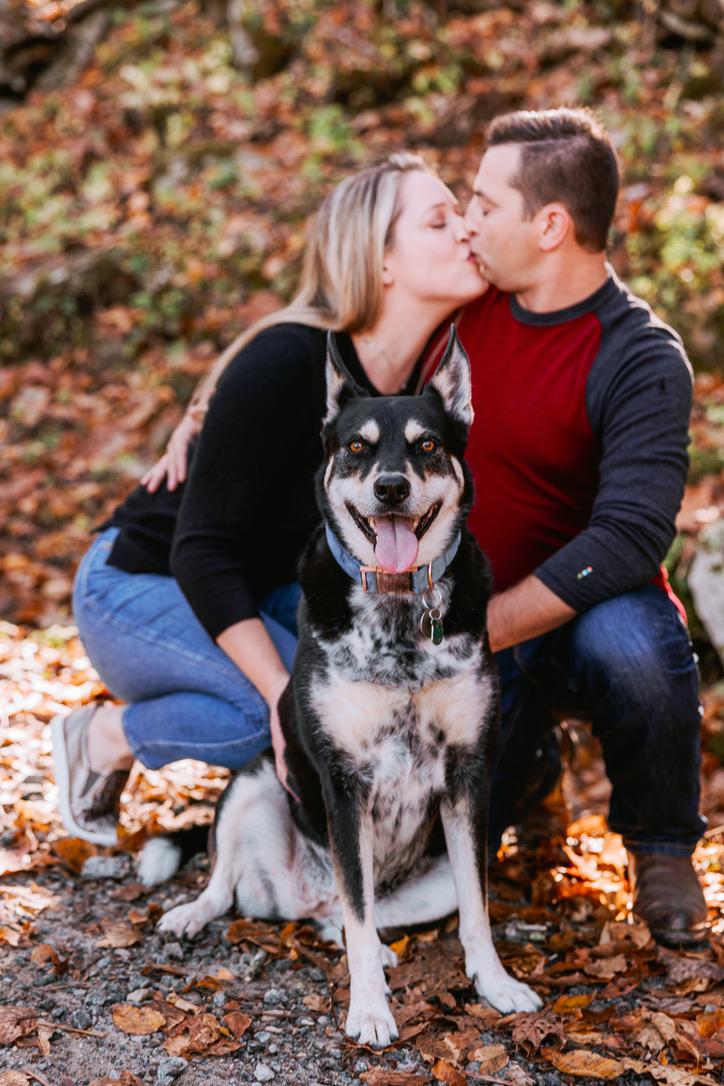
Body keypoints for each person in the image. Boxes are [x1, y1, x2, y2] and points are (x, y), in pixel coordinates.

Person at [51, 153, 486, 843]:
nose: (467, 230)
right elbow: (200, 551)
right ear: (380, 260)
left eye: (464, 215)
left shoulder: (420, 387)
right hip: (138, 585)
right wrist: (283, 693)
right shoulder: (286, 361)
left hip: (260, 590)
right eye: (440, 221)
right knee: (284, 712)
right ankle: (102, 737)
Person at [441, 107, 705, 948]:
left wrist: (488, 625)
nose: (467, 220)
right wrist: (206, 404)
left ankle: (662, 848)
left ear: (550, 225)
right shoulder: (462, 305)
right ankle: (531, 779)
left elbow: (631, 536)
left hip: (583, 611)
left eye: (486, 203)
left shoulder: (639, 356)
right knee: (439, 879)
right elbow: (334, 326)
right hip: (461, 609)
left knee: (635, 648)